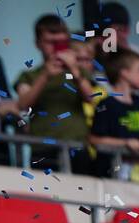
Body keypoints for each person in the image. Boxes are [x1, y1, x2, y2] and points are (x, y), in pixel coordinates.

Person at [13, 14, 98, 170]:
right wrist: (45, 75)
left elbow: (91, 98)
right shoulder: (30, 75)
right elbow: (23, 104)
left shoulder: (78, 72)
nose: (56, 47)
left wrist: (74, 70)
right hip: (42, 148)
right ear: (38, 44)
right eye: (50, 42)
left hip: (77, 147)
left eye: (61, 42)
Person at [89, 50, 139, 185]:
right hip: (116, 174)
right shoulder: (106, 105)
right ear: (124, 73)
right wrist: (125, 144)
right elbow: (94, 139)